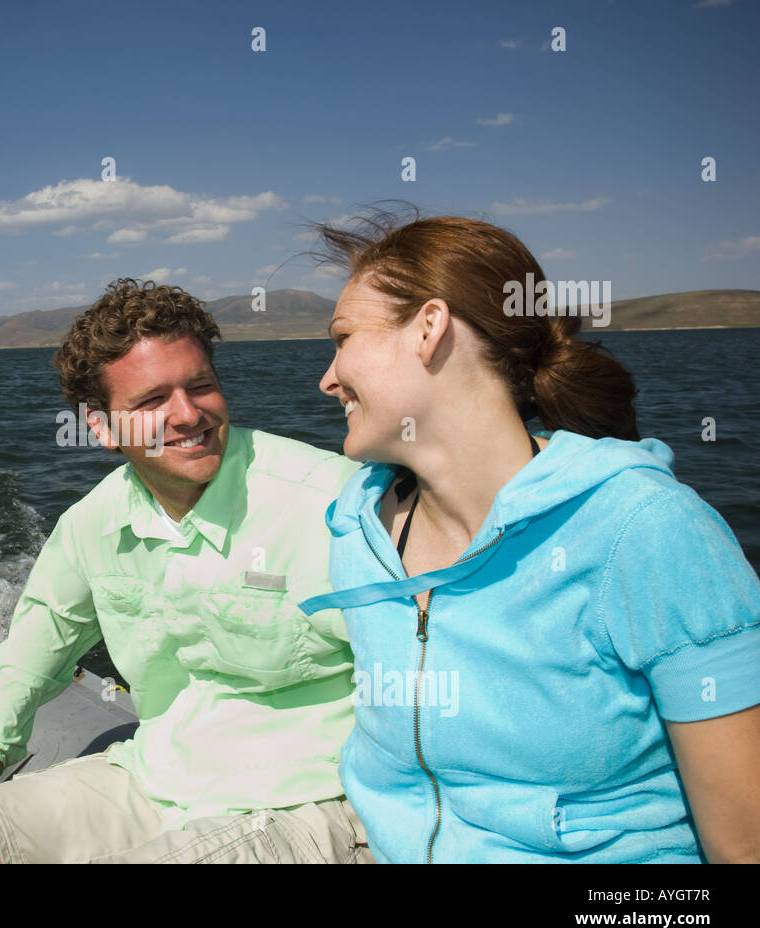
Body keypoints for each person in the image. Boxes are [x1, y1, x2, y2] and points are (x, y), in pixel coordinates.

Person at [298, 207, 760, 863]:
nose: (326, 376)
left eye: (342, 337)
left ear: (429, 328)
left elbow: (744, 846)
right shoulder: (357, 525)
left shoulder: (646, 529)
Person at [0, 278, 370, 863]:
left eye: (201, 386)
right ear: (101, 426)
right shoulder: (93, 523)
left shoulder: (333, 503)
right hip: (162, 771)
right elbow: (45, 632)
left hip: (315, 794)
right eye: (151, 402)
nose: (188, 414)